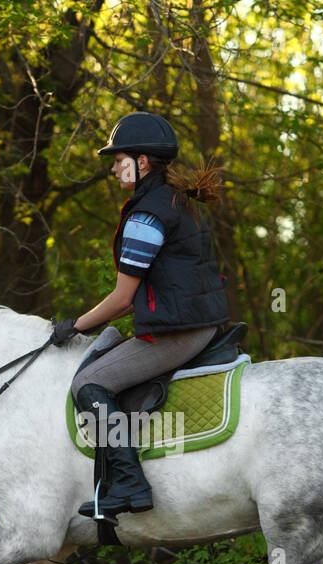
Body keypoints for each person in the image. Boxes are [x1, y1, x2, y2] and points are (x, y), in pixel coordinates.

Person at [51, 112, 229, 519]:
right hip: (197, 323)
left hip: (179, 333)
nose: (113, 167)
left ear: (142, 161)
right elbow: (137, 297)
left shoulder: (147, 215)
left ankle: (130, 483)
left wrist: (73, 327)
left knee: (89, 382)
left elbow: (122, 298)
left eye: (119, 159)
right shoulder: (174, 201)